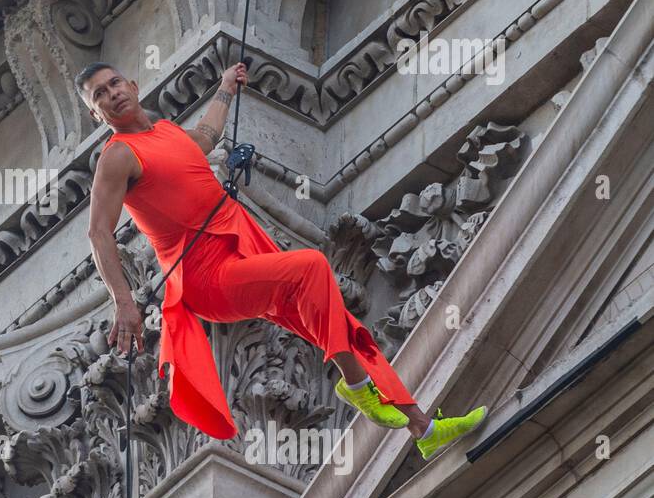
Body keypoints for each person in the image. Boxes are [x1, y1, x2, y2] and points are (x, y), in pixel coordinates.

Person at [79, 61, 486, 462]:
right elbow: (98, 233)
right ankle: (357, 387)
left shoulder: (165, 131)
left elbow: (204, 137)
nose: (112, 93)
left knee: (340, 325)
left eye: (114, 83)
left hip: (238, 244)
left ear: (132, 84)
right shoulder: (117, 157)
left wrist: (226, 87)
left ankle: (424, 428)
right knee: (311, 266)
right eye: (100, 94)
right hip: (208, 277)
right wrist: (123, 301)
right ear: (96, 113)